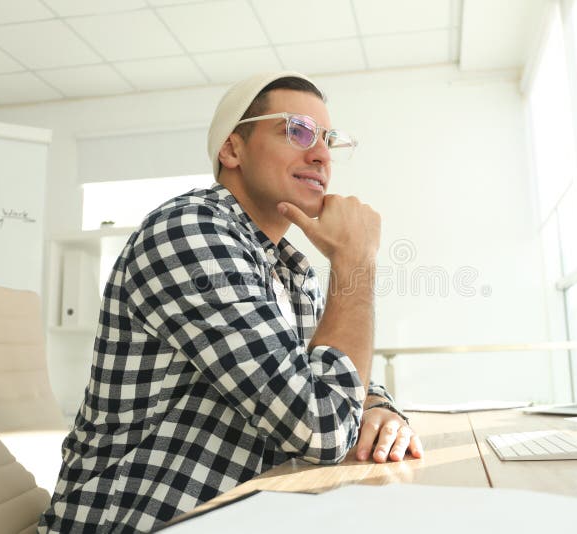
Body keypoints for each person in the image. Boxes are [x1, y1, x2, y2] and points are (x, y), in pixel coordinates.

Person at [38, 71, 422, 533]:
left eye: (328, 139)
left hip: (241, 513)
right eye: (297, 130)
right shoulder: (189, 231)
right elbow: (324, 427)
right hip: (137, 520)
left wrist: (380, 409)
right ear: (232, 149)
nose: (321, 155)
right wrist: (356, 261)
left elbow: (331, 373)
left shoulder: (287, 268)